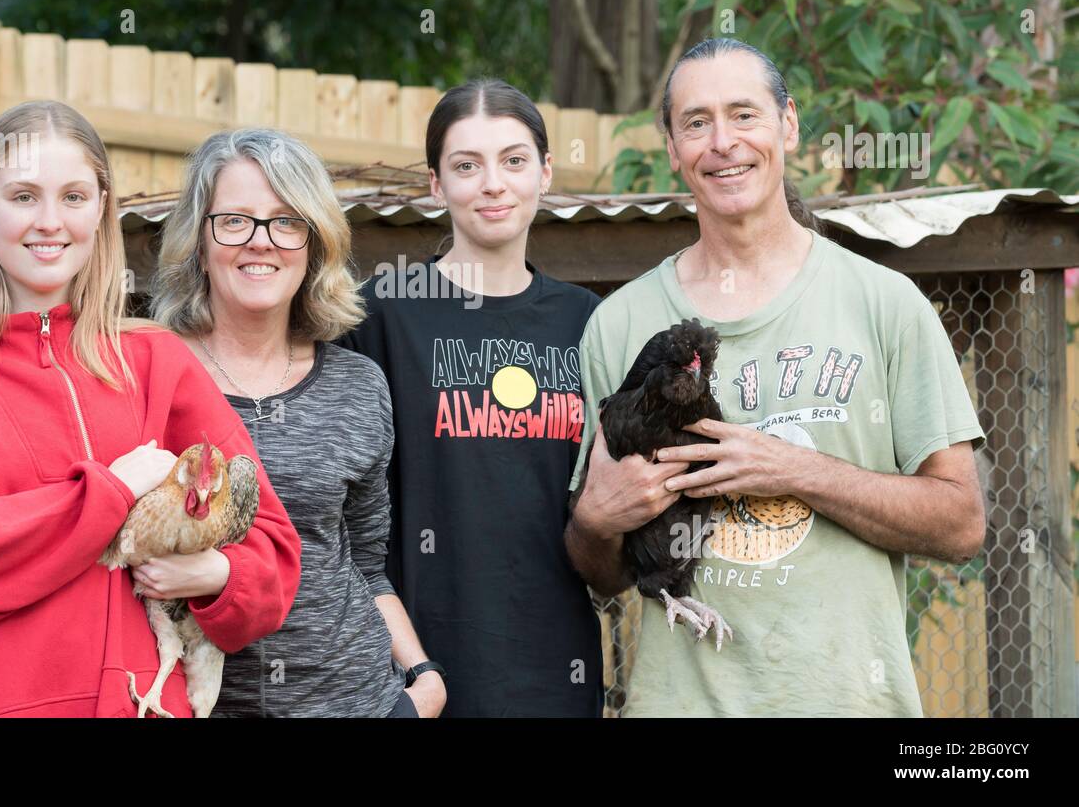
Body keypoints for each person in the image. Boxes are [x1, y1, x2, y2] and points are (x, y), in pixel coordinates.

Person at [566, 38, 986, 717]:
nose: (722, 142)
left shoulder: (884, 304)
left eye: (744, 114)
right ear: (672, 147)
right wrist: (595, 518)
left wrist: (795, 469)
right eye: (696, 122)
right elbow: (602, 570)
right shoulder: (619, 326)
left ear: (788, 124)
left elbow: (961, 523)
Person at [0, 101, 301, 717]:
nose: (50, 222)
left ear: (101, 209)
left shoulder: (157, 361)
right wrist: (111, 491)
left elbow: (272, 550)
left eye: (74, 196)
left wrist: (214, 576)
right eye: (23, 196)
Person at [146, 127, 439, 717]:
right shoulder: (149, 373)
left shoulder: (357, 386)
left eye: (287, 222)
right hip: (197, 705)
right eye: (234, 220)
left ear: (314, 245)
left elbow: (362, 562)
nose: (262, 242)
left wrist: (423, 680)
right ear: (199, 241)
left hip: (356, 702)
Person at [339, 79, 604, 717]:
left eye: (514, 161)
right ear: (436, 185)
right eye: (467, 165)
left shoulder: (588, 322)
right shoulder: (384, 312)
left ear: (545, 173)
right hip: (417, 670)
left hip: (555, 665)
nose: (492, 184)